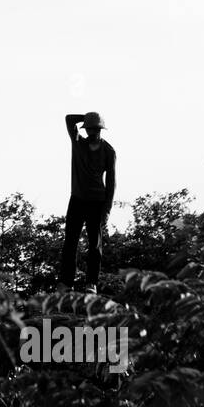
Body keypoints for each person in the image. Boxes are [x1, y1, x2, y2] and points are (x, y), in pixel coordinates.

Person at [59, 112, 116, 293]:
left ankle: (91, 283)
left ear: (100, 130)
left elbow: (112, 182)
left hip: (97, 202)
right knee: (70, 243)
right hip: (76, 199)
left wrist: (106, 210)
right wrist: (88, 116)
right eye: (88, 128)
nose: (91, 132)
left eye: (94, 128)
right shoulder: (78, 142)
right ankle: (67, 283)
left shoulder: (109, 151)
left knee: (94, 245)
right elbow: (69, 119)